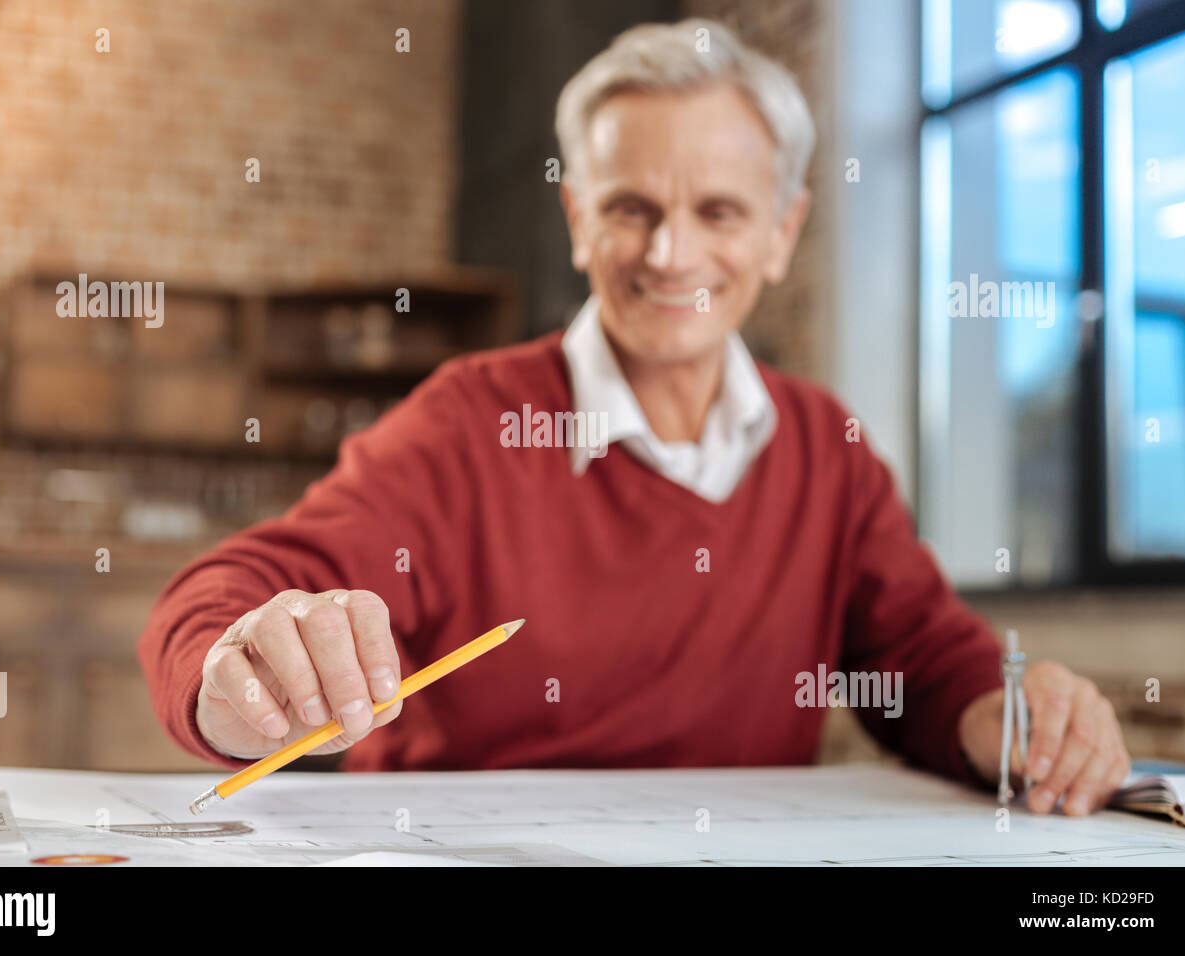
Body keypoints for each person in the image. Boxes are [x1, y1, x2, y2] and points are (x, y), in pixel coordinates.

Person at [139, 19, 1130, 817]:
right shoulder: (465, 421)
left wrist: (1006, 711)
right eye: (630, 208)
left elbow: (922, 659)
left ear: (782, 232)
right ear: (577, 220)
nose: (670, 254)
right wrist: (235, 663)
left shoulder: (827, 446)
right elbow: (232, 592)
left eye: (719, 211)